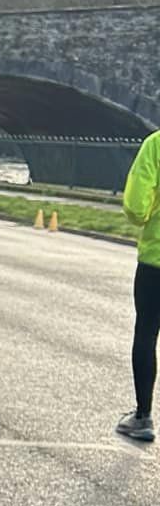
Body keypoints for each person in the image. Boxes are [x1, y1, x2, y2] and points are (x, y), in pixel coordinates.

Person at [117, 127, 160, 443]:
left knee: (146, 333)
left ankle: (143, 416)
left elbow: (135, 207)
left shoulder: (155, 145)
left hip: (156, 261)